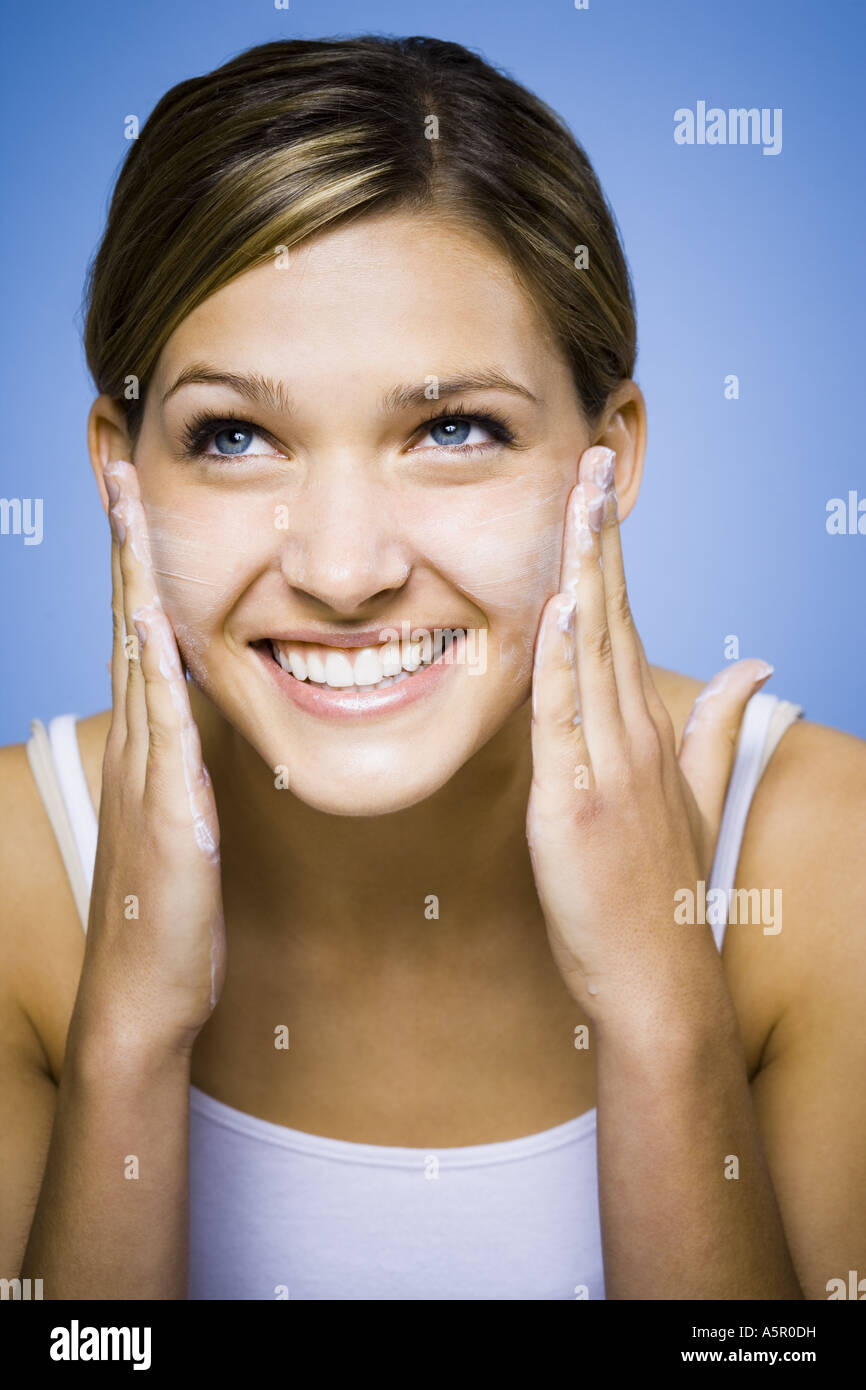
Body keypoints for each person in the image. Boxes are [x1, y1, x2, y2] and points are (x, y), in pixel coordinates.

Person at [2, 35, 864, 1301]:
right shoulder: (19, 881)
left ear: (607, 458)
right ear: (116, 472)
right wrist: (128, 1030)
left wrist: (663, 1014)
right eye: (234, 436)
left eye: (452, 429)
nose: (344, 571)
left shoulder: (827, 861)